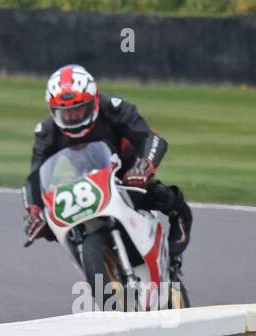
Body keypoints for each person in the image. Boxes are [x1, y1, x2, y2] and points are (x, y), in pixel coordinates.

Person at [23, 64, 193, 283]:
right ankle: (93, 263)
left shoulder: (114, 108)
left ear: (93, 101)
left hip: (127, 171)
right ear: (52, 110)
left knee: (155, 193)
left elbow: (152, 139)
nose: (73, 117)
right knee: (49, 226)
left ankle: (178, 217)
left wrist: (145, 165)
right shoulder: (47, 131)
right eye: (65, 112)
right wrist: (33, 210)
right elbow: (35, 175)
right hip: (83, 181)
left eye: (78, 109)